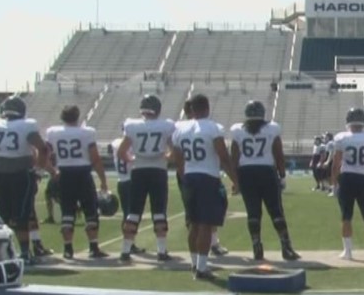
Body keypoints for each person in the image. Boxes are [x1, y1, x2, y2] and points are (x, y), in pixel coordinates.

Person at [0, 96, 56, 264]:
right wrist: (38, 169)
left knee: (3, 215)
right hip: (21, 174)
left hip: (0, 174)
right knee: (23, 215)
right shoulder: (27, 125)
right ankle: (24, 253)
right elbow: (43, 148)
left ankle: (1, 252)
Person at [170, 93, 236, 280]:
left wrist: (185, 178)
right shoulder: (212, 128)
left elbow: (178, 159)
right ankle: (201, 268)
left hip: (189, 178)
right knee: (206, 224)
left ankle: (194, 264)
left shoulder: (180, 130)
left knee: (194, 224)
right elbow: (223, 157)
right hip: (208, 177)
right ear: (207, 108)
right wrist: (235, 180)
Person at [229, 100, 300, 262]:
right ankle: (286, 247)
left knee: (253, 213)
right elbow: (279, 154)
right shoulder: (271, 129)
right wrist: (282, 175)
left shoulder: (238, 131)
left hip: (246, 173)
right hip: (266, 172)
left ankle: (257, 248)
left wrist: (235, 180)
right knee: (276, 211)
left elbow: (234, 158)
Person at [45, 105, 109, 260]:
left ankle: (68, 249)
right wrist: (103, 180)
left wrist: (52, 171)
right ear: (78, 116)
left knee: (67, 212)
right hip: (82, 174)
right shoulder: (87, 133)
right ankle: (93, 247)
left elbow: (43, 156)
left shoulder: (53, 132)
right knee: (90, 211)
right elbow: (95, 158)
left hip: (64, 175)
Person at [118, 95, 176, 261]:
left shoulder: (132, 126)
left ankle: (125, 250)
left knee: (133, 213)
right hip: (158, 171)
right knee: (159, 212)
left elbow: (121, 152)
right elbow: (174, 152)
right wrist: (165, 157)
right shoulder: (166, 125)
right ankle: (162, 251)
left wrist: (133, 159)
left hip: (139, 171)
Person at [330, 107, 364, 260]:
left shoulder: (342, 137)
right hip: (363, 178)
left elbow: (336, 163)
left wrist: (334, 184)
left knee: (346, 216)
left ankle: (348, 252)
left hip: (346, 178)